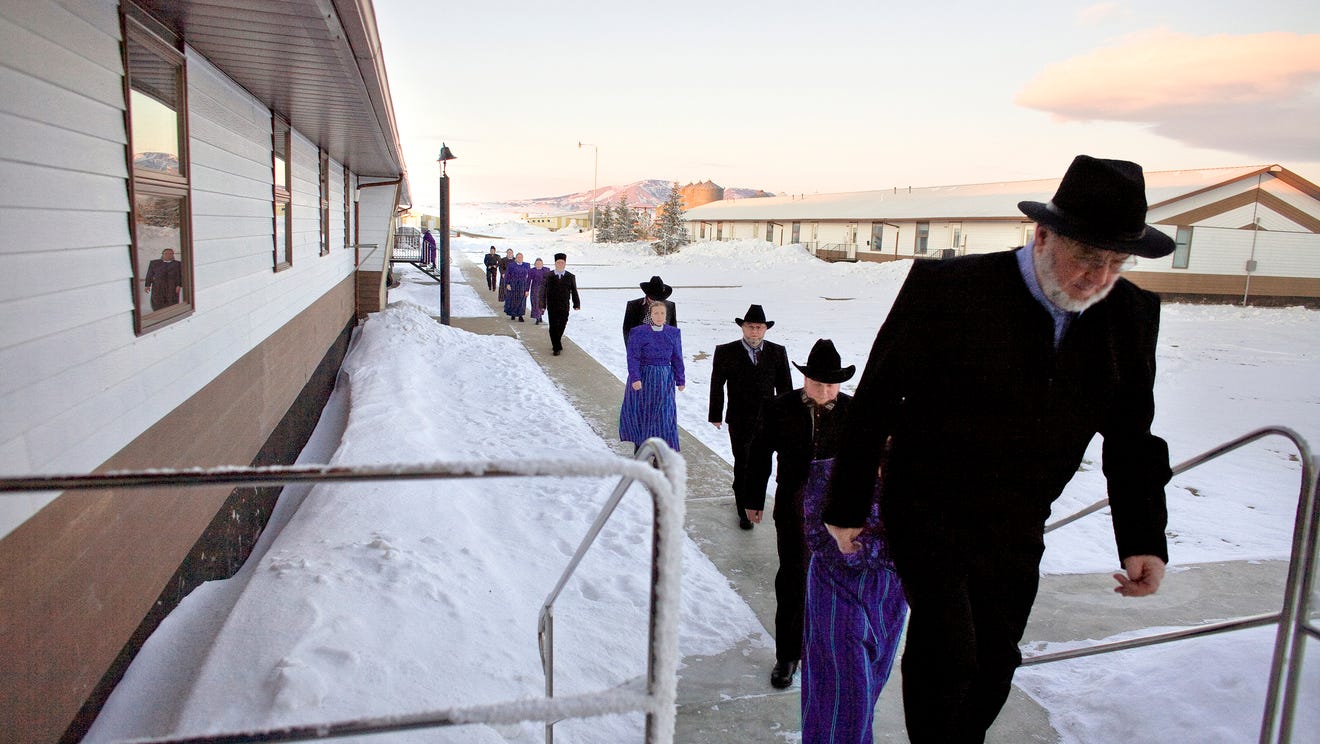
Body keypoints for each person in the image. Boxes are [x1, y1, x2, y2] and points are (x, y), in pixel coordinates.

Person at [823, 155, 1175, 743]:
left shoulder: (1131, 315)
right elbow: (877, 398)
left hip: (1018, 520)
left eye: (1116, 263)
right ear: (1043, 236)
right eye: (1088, 258)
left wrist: (1142, 537)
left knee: (996, 657)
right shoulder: (949, 289)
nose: (1099, 278)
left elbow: (1132, 436)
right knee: (948, 648)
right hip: (928, 504)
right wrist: (847, 506)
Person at [708, 304, 792, 530]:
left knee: (763, 465)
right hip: (740, 418)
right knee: (743, 463)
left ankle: (757, 502)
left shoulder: (777, 352)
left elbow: (785, 388)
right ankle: (743, 509)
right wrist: (715, 414)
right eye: (750, 327)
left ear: (765, 329)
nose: (754, 331)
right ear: (743, 327)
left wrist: (788, 417)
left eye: (759, 327)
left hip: (768, 420)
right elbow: (717, 384)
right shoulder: (726, 351)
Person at [619, 302, 685, 452]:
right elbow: (633, 357)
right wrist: (635, 378)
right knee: (642, 411)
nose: (659, 316)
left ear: (666, 315)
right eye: (656, 313)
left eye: (662, 313)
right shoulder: (638, 332)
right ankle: (640, 445)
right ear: (650, 315)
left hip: (664, 379)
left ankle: (659, 451)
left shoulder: (673, 333)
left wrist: (680, 379)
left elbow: (677, 357)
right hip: (644, 377)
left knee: (664, 414)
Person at [541, 253, 580, 356]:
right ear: (555, 263)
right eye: (558, 262)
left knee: (562, 324)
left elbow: (574, 291)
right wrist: (542, 305)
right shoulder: (548, 276)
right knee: (553, 326)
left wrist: (576, 304)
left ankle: (557, 341)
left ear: (565, 264)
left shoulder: (570, 276)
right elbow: (543, 291)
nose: (560, 264)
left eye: (562, 262)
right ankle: (556, 347)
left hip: (564, 305)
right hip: (552, 305)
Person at [622, 275, 678, 344]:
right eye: (654, 298)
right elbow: (627, 330)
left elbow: (673, 330)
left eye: (659, 298)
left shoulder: (670, 306)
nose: (656, 301)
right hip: (641, 347)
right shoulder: (633, 305)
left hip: (664, 347)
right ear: (648, 294)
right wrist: (632, 348)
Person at [503, 252, 531, 321]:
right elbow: (507, 275)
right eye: (518, 257)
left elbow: (529, 277)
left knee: (522, 300)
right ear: (516, 258)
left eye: (521, 257)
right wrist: (507, 284)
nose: (520, 259)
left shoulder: (526, 265)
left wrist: (527, 289)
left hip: (523, 285)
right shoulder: (511, 265)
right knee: (513, 300)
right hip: (513, 284)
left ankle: (520, 315)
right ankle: (513, 314)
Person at [527, 258, 552, 325]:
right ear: (535, 264)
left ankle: (540, 315)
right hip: (535, 288)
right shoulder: (532, 270)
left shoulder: (546, 270)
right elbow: (528, 281)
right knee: (535, 303)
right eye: (537, 263)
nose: (538, 265)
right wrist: (527, 290)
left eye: (540, 263)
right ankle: (537, 317)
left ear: (542, 264)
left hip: (543, 289)